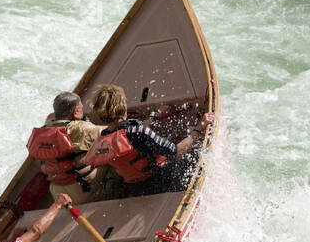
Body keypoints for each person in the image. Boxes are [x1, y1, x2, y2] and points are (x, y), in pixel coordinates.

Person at [83, 83, 214, 197]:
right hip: (159, 181)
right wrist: (199, 128)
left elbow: (127, 132)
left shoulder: (103, 139)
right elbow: (177, 152)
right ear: (123, 107)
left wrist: (154, 117)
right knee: (198, 151)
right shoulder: (138, 132)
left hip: (137, 189)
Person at [26, 92, 110, 202]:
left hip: (56, 190)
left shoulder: (43, 130)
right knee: (111, 162)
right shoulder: (82, 129)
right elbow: (112, 133)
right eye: (81, 106)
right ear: (76, 112)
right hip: (81, 188)